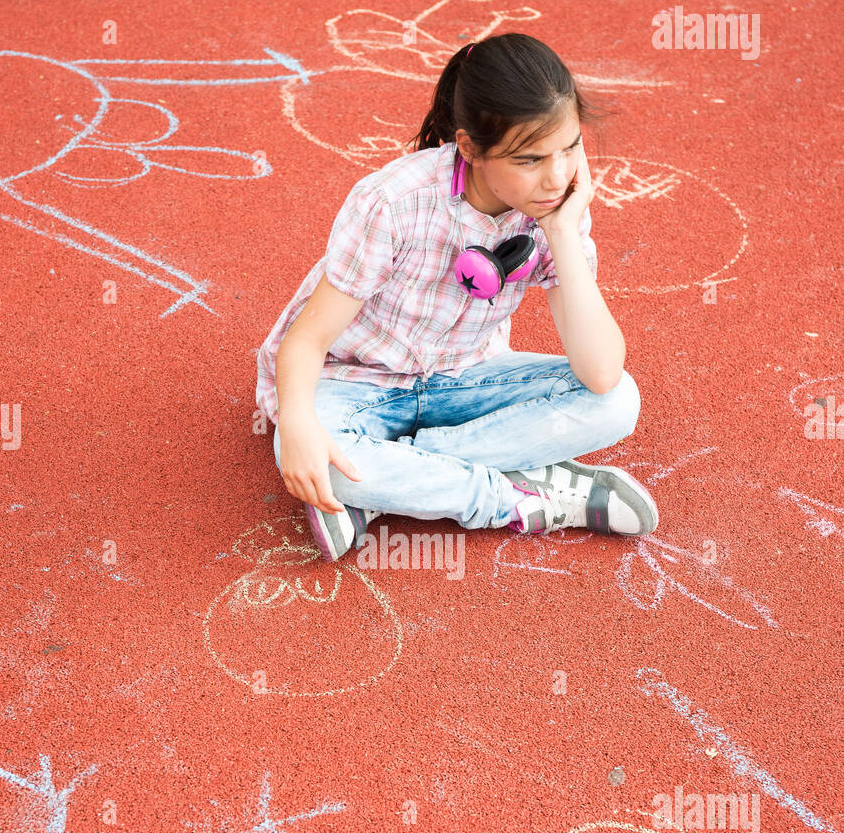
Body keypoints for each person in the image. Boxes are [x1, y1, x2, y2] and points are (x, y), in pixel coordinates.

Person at [256, 32, 659, 561]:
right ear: (469, 148)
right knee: (301, 445)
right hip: (352, 385)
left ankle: (390, 483)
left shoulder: (557, 208)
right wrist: (303, 425)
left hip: (462, 382)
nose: (558, 176)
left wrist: (560, 232)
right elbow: (304, 341)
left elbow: (600, 373)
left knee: (616, 402)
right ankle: (521, 500)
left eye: (571, 148)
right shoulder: (393, 202)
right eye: (530, 160)